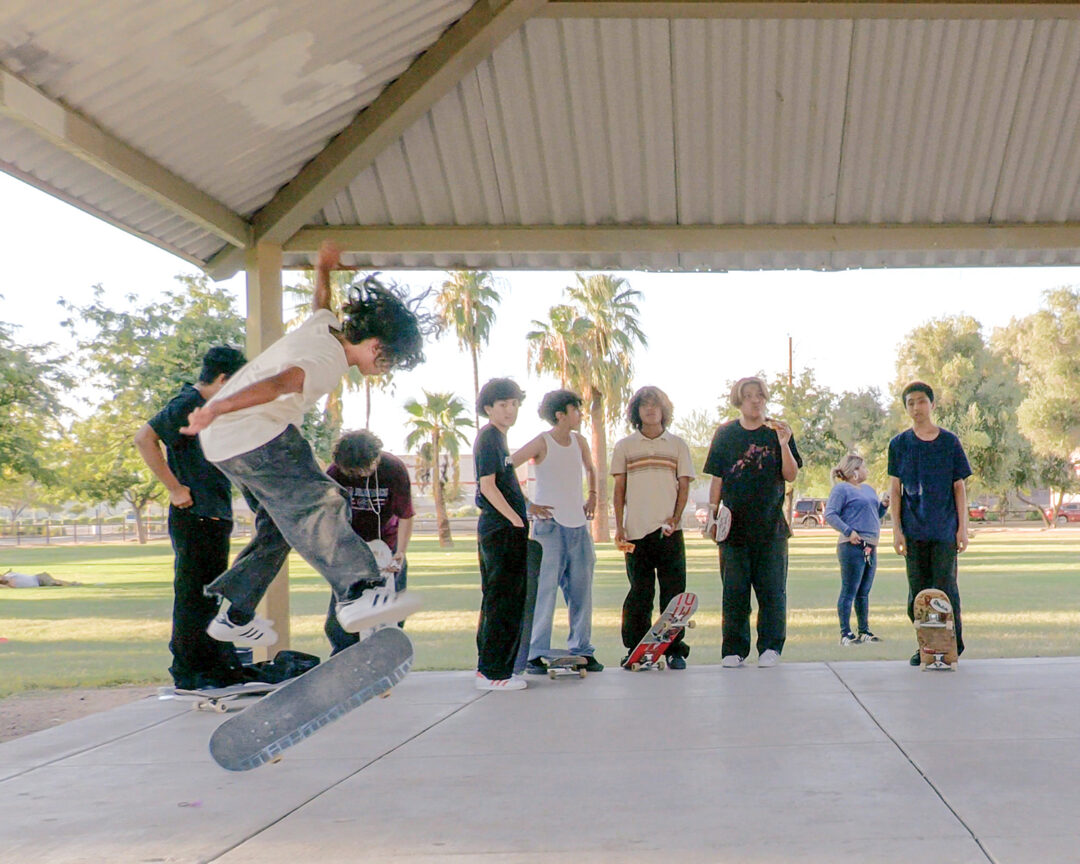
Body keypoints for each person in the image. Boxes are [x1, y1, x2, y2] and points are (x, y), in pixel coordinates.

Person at [180, 243, 434, 647]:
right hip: (255, 435)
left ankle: (235, 613)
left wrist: (323, 270)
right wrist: (218, 406)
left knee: (282, 525)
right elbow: (282, 383)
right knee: (323, 501)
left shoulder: (325, 329)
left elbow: (321, 303)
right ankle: (357, 592)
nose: (384, 370)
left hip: (225, 443)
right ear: (374, 345)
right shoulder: (327, 360)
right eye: (387, 361)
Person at [135, 345, 247, 690]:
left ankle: (212, 660)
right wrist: (174, 488)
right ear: (223, 378)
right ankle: (188, 667)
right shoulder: (188, 404)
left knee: (209, 594)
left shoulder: (209, 409)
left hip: (213, 513)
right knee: (193, 594)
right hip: (194, 514)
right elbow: (144, 439)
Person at [703, 376, 801, 669]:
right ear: (739, 400)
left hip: (771, 529)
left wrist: (784, 444)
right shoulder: (725, 434)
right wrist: (712, 515)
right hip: (733, 529)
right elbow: (717, 479)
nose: (755, 400)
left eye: (759, 395)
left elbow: (791, 474)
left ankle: (771, 647)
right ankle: (733, 649)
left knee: (772, 592)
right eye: (748, 396)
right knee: (734, 592)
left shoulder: (778, 431)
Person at [511, 389, 603, 674]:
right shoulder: (542, 442)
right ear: (561, 414)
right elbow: (507, 465)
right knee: (544, 592)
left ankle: (582, 650)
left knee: (581, 592)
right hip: (549, 528)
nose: (580, 414)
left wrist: (593, 495)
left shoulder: (580, 441)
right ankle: (536, 653)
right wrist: (528, 504)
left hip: (578, 526)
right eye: (576, 409)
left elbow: (591, 468)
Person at [888, 381, 972, 665]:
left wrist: (963, 528)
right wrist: (897, 531)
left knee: (945, 591)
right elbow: (895, 490)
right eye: (910, 402)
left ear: (932, 404)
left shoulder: (949, 442)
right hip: (913, 532)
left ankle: (950, 648)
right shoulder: (899, 445)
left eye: (921, 401)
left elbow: (959, 487)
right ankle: (926, 647)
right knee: (919, 594)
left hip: (944, 530)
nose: (916, 407)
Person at [611, 386, 695, 669]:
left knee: (674, 595)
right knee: (639, 593)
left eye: (655, 405)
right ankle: (635, 649)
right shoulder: (625, 446)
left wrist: (675, 517)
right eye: (644, 405)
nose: (650, 410)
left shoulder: (677, 445)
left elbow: (683, 486)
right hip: (635, 531)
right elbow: (619, 488)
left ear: (663, 410)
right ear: (637, 411)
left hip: (669, 531)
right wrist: (619, 525)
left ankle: (674, 650)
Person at [473, 378, 548, 691]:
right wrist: (515, 520)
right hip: (501, 531)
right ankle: (495, 674)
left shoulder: (499, 440)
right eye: (503, 404)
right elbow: (487, 486)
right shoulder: (489, 437)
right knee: (504, 600)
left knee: (501, 599)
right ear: (489, 407)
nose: (510, 410)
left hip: (506, 529)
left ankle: (489, 668)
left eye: (514, 404)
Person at [323, 429, 415, 654]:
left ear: (377, 456)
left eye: (367, 468)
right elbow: (327, 516)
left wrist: (399, 554)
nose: (362, 474)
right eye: (355, 471)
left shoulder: (393, 469)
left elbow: (406, 515)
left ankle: (386, 657)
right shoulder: (335, 472)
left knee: (391, 610)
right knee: (344, 614)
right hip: (350, 547)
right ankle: (344, 658)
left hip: (387, 546)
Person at [824, 452, 889, 647]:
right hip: (852, 545)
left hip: (871, 544)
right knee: (850, 589)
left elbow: (873, 514)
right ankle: (846, 633)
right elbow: (830, 514)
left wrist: (883, 506)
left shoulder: (868, 489)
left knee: (864, 591)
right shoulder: (842, 489)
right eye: (864, 467)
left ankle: (864, 631)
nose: (867, 470)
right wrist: (848, 531)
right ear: (854, 471)